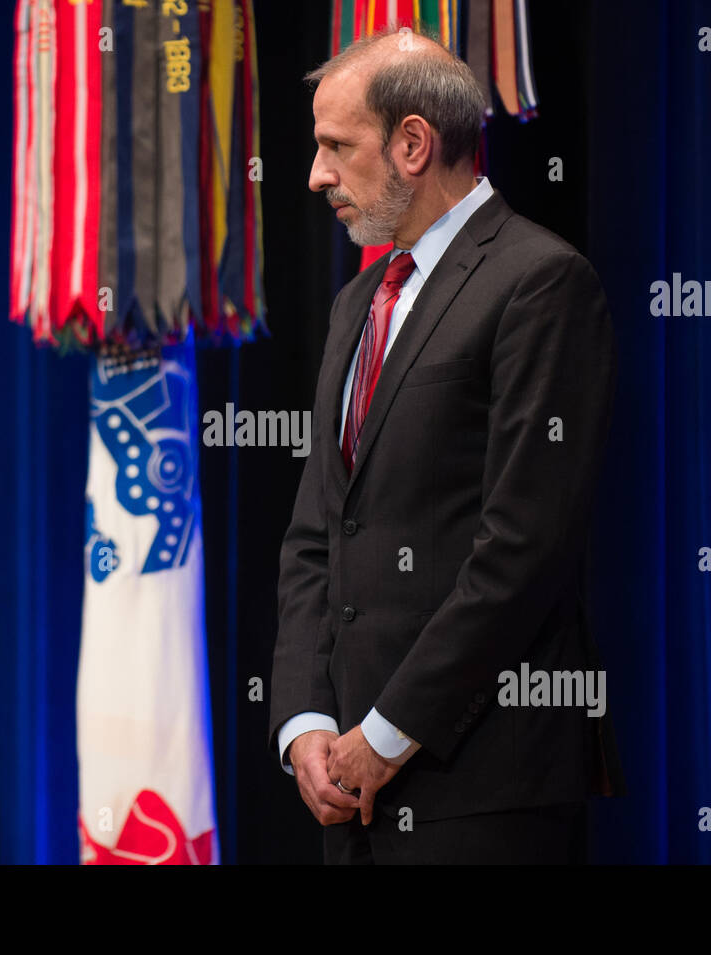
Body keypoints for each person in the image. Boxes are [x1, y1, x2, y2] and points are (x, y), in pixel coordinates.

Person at [268, 27, 624, 864]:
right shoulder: (359, 301)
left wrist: (388, 736)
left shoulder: (540, 281)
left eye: (335, 147)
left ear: (414, 143)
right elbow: (317, 535)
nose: (316, 175)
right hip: (350, 794)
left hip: (482, 794)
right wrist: (307, 724)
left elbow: (522, 551)